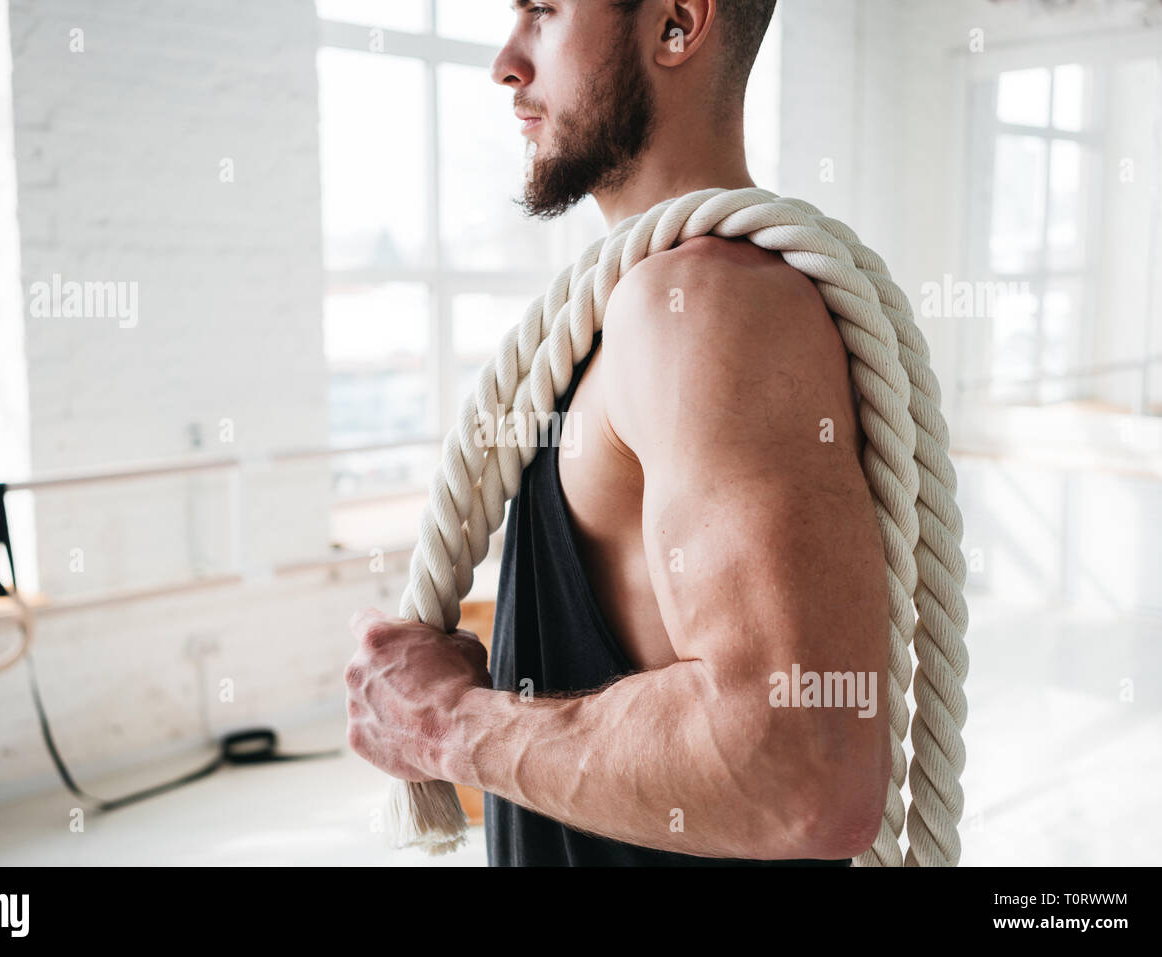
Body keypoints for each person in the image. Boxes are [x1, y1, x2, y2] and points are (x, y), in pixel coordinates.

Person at [344, 0, 890, 866]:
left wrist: (446, 724)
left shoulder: (706, 307)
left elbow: (805, 776)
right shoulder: (623, 306)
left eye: (544, 11)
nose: (506, 64)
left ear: (676, 22)